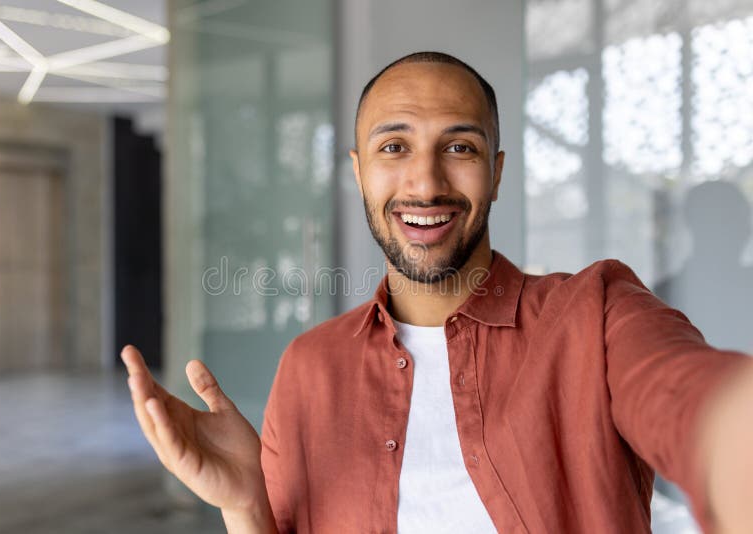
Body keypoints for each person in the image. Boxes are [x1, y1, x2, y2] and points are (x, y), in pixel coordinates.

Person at [121, 51, 753, 533]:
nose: (426, 182)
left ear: (497, 173)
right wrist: (244, 507)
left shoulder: (598, 312)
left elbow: (694, 402)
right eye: (394, 146)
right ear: (359, 173)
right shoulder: (310, 367)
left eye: (459, 146)